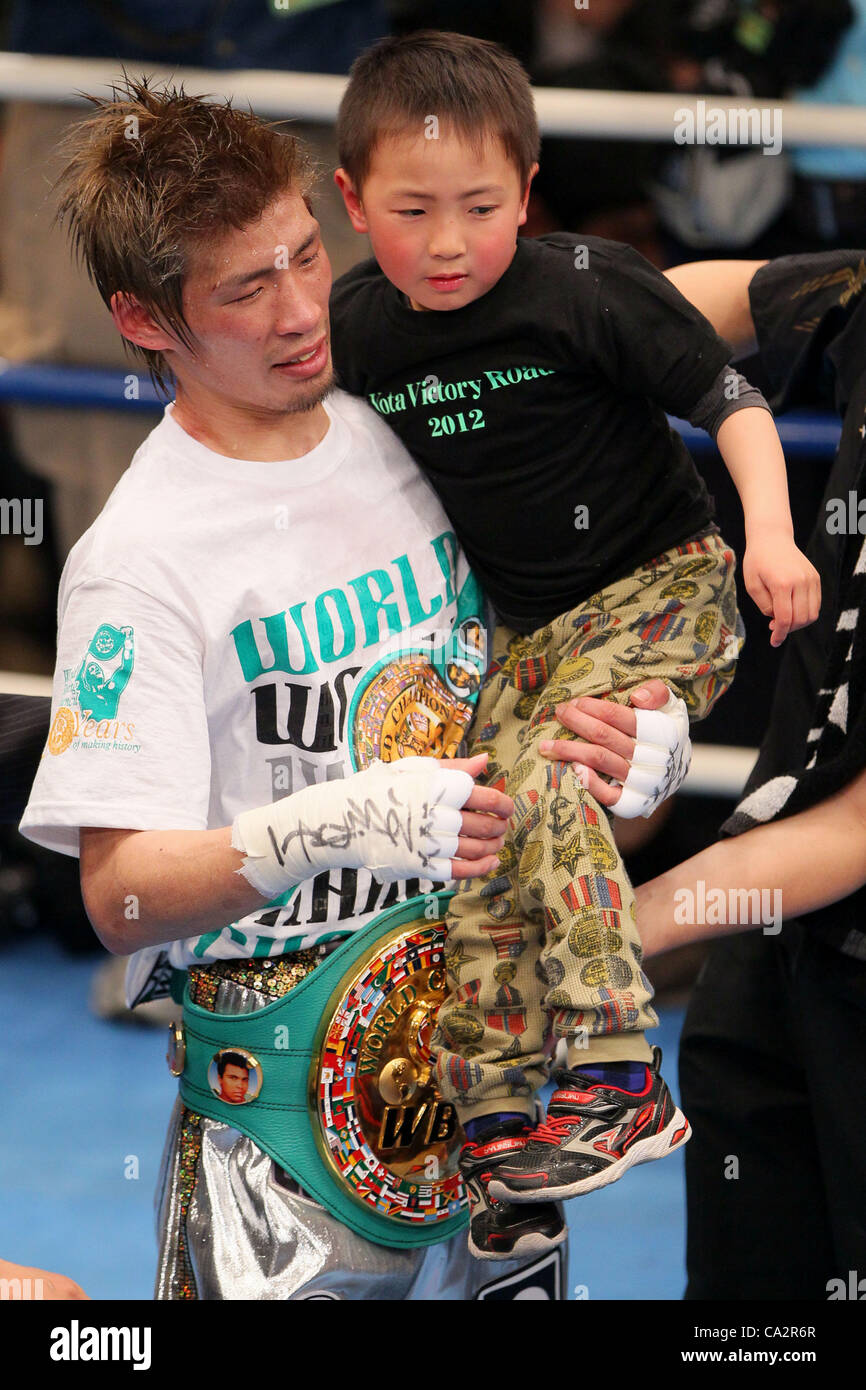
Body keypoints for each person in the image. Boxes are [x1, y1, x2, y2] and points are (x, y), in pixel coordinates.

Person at [17, 77, 568, 1300]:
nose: (299, 311)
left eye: (305, 256)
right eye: (243, 289)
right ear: (144, 317)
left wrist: (607, 731)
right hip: (284, 1133)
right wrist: (341, 819)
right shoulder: (140, 560)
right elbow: (116, 896)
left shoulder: (399, 408)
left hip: (490, 1065)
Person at [328, 30, 821, 1258]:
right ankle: (494, 1094)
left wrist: (770, 536)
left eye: (481, 207)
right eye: (411, 210)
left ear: (529, 186)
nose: (448, 242)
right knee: (476, 819)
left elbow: (734, 402)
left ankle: (615, 1069)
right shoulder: (357, 328)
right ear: (349, 201)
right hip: (528, 631)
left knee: (550, 778)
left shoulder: (586, 284)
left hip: (662, 581)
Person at [619, 250, 866, 1300]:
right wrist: (515, 350)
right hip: (773, 953)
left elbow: (854, 830)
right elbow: (714, 296)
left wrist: (592, 931)